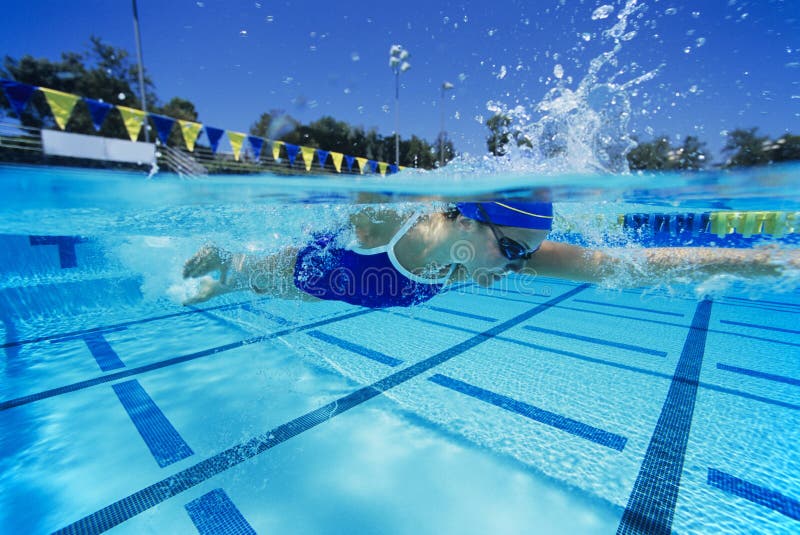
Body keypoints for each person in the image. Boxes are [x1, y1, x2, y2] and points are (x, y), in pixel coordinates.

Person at [181, 201, 796, 307]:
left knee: (236, 287)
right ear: (468, 221)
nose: (512, 265)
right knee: (243, 275)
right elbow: (346, 205)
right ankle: (222, 257)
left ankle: (223, 275)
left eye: (520, 257)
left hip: (344, 289)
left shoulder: (495, 249)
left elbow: (616, 267)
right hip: (311, 269)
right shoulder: (407, 223)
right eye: (508, 250)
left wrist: (755, 258)